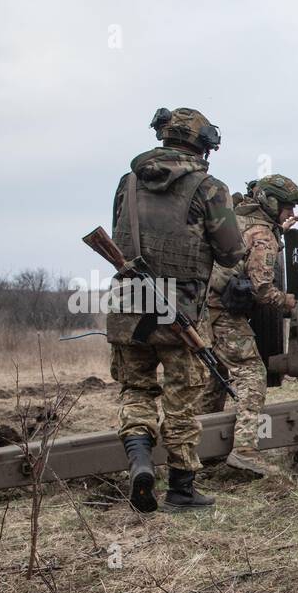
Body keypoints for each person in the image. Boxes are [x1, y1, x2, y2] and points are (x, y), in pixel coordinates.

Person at [107, 106, 243, 513]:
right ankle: (182, 489)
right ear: (203, 146)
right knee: (182, 400)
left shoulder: (127, 182)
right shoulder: (210, 188)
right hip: (179, 312)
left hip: (129, 307)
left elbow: (120, 238)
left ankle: (141, 461)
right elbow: (231, 252)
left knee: (136, 391)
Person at [203, 174, 298, 477]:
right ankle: (244, 450)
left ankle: (198, 452)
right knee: (251, 372)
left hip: (201, 310)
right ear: (271, 203)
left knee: (214, 378)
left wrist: (279, 230)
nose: (289, 213)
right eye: (286, 207)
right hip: (223, 314)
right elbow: (262, 289)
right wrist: (287, 301)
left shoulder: (237, 219)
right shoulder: (262, 234)